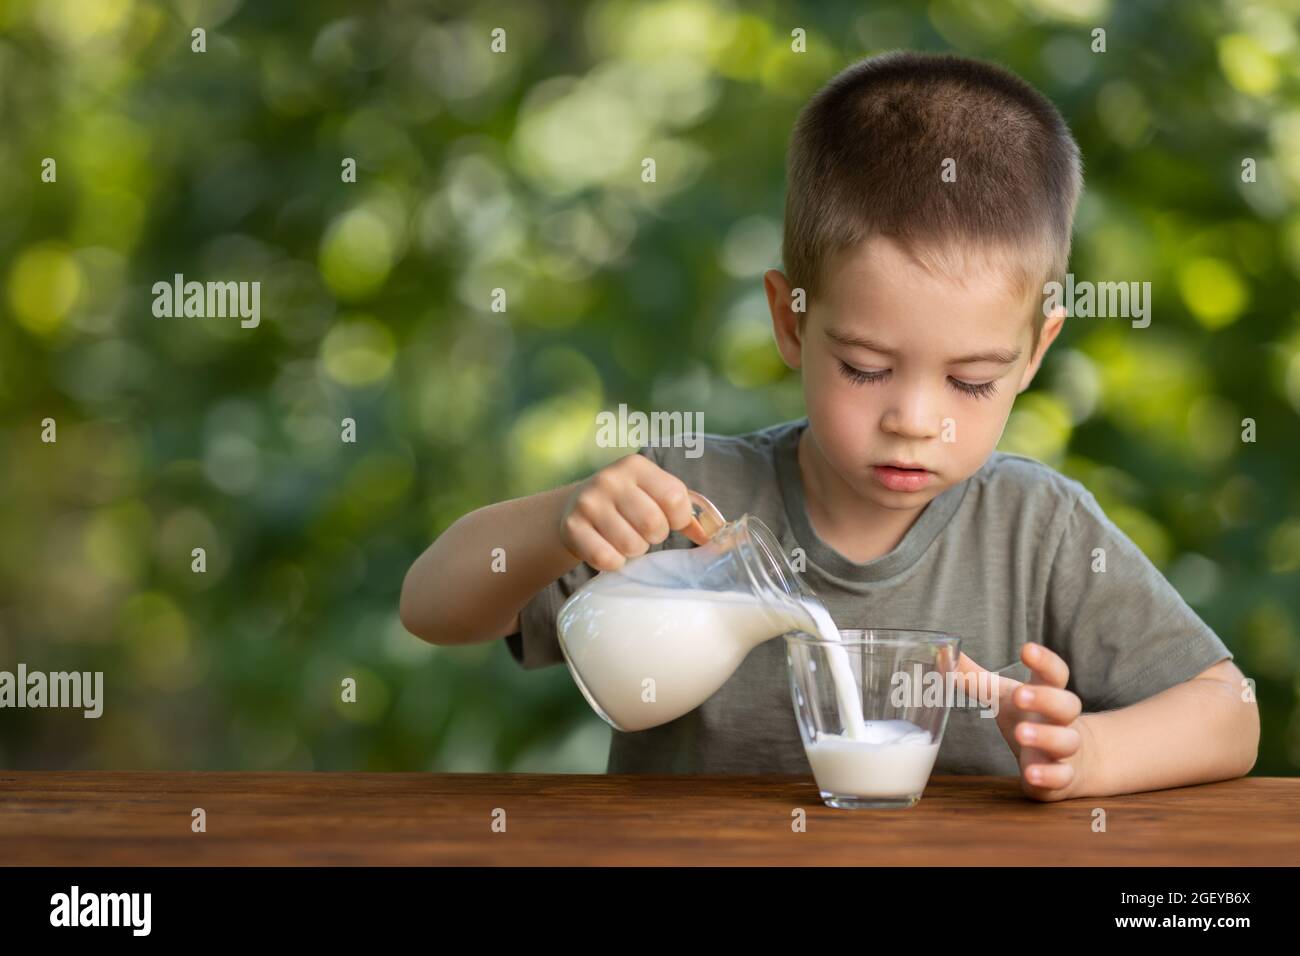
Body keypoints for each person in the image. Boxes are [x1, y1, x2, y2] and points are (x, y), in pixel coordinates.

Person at [400, 51, 1258, 801]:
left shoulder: (1041, 533)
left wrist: (1091, 753)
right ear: (791, 320)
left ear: (1035, 353)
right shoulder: (687, 504)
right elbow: (431, 609)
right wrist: (557, 526)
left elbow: (1230, 716)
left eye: (971, 380)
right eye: (865, 369)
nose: (915, 420)